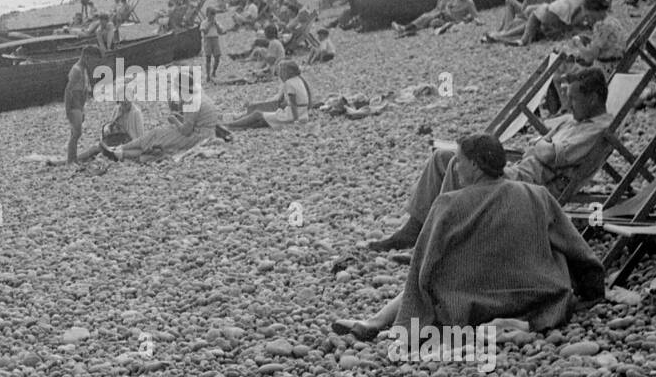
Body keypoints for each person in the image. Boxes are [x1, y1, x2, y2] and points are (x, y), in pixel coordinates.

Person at [330, 134, 605, 340]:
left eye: (459, 162)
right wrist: (590, 289)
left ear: (475, 165)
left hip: (470, 303)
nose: (456, 169)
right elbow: (576, 248)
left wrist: (410, 321)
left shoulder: (448, 205)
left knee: (435, 277)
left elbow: (423, 270)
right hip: (536, 296)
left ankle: (376, 322)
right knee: (548, 251)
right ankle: (517, 321)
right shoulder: (537, 195)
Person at [354, 68, 612, 255]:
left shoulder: (596, 130)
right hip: (520, 170)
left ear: (593, 98)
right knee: (442, 158)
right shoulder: (574, 121)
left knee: (458, 168)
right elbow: (542, 146)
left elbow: (546, 152)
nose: (569, 104)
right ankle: (414, 229)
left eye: (575, 98)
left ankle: (434, 242)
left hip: (532, 185)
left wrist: (542, 146)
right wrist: (542, 145)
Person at [102, 70, 221, 161]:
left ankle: (120, 149)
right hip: (206, 134)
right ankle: (119, 151)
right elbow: (194, 121)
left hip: (198, 137)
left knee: (156, 136)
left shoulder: (190, 101)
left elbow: (186, 131)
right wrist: (180, 119)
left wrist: (174, 120)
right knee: (157, 139)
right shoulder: (200, 96)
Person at [224, 61, 311, 130]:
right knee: (262, 121)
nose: (281, 74)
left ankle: (230, 125)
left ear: (288, 72)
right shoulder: (298, 79)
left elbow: (293, 104)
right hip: (303, 114)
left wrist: (296, 121)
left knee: (257, 114)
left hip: (292, 115)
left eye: (282, 71)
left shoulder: (289, 83)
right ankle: (237, 126)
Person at [64, 46, 97, 164]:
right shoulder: (77, 70)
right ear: (86, 57)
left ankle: (73, 159)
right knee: (76, 133)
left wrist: (82, 110)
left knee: (75, 133)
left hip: (79, 105)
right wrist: (67, 110)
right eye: (92, 60)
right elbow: (68, 90)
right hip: (74, 104)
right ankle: (70, 160)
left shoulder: (83, 69)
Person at [202, 7, 223, 79]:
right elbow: (205, 32)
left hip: (215, 39)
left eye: (213, 15)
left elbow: (220, 32)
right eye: (211, 14)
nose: (212, 16)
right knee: (208, 57)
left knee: (217, 57)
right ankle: (208, 75)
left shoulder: (216, 22)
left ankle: (214, 71)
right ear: (207, 14)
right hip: (208, 40)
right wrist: (210, 24)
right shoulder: (204, 22)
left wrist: (216, 25)